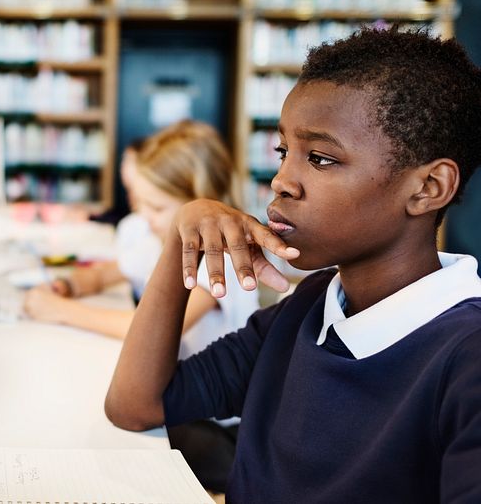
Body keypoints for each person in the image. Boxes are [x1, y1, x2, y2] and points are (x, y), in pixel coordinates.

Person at [104, 27, 481, 502]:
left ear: (427, 189)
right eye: (285, 152)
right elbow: (135, 405)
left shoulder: (467, 358)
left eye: (321, 159)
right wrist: (182, 236)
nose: (282, 182)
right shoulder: (308, 305)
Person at [25, 120, 259, 493]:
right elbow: (107, 273)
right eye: (139, 202)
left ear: (197, 203)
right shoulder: (158, 238)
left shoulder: (223, 260)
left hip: (216, 429)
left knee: (97, 434)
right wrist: (72, 284)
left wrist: (59, 310)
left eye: (156, 206)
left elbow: (143, 333)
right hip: (177, 402)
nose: (142, 215)